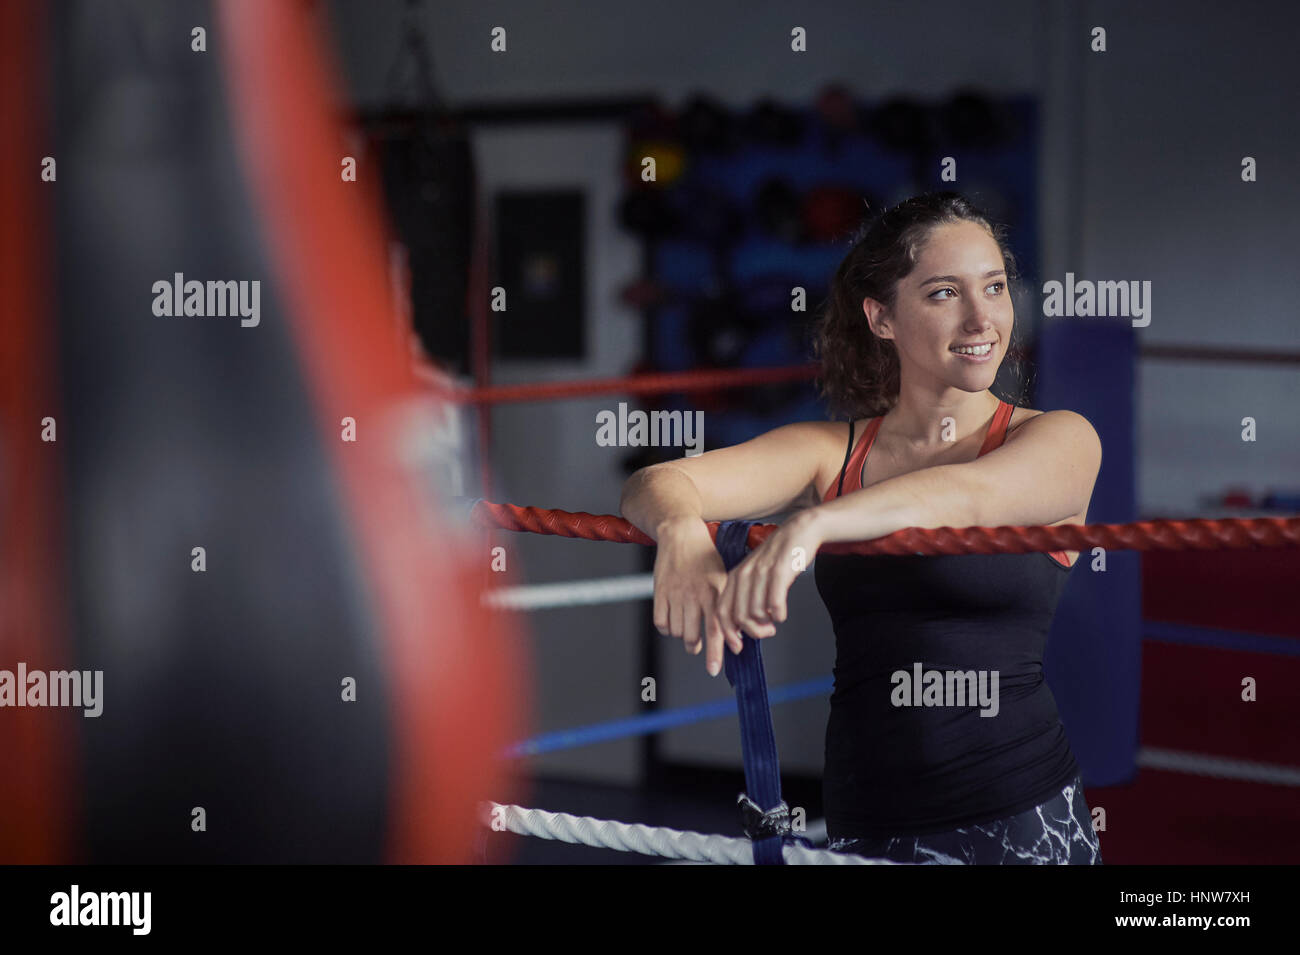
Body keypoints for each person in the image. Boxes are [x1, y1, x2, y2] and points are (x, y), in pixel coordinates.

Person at [619, 192, 1103, 864]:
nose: (981, 316)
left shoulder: (1061, 438)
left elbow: (967, 495)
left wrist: (813, 525)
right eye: (943, 293)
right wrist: (680, 533)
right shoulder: (835, 451)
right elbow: (659, 481)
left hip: (1017, 812)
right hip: (865, 812)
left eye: (994, 286)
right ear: (882, 317)